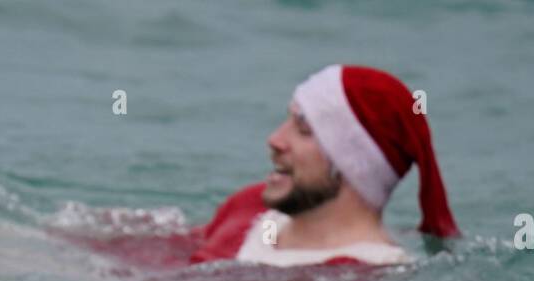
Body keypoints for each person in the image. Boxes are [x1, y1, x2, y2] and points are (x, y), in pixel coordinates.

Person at [188, 65, 460, 268]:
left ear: (353, 166)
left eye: (304, 130)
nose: (275, 140)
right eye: (288, 121)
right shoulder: (250, 208)